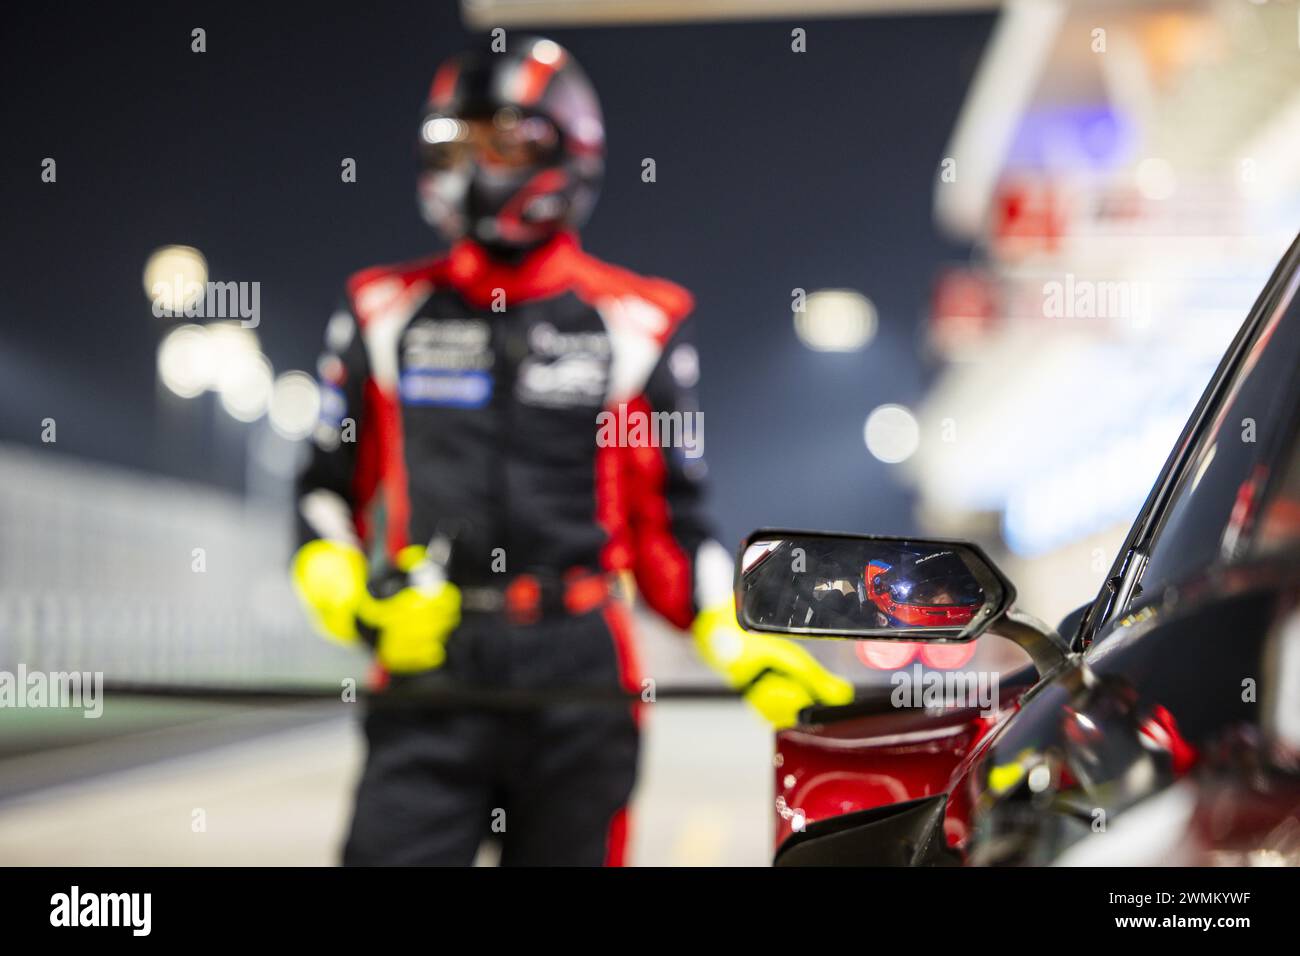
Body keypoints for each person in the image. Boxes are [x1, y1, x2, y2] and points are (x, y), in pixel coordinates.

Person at [290, 35, 852, 866]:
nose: (477, 163)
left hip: (582, 678)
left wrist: (735, 632)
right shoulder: (380, 311)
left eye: (505, 139)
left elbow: (669, 526)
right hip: (426, 670)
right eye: (456, 142)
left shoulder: (642, 322)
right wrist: (362, 608)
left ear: (570, 148)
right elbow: (322, 494)